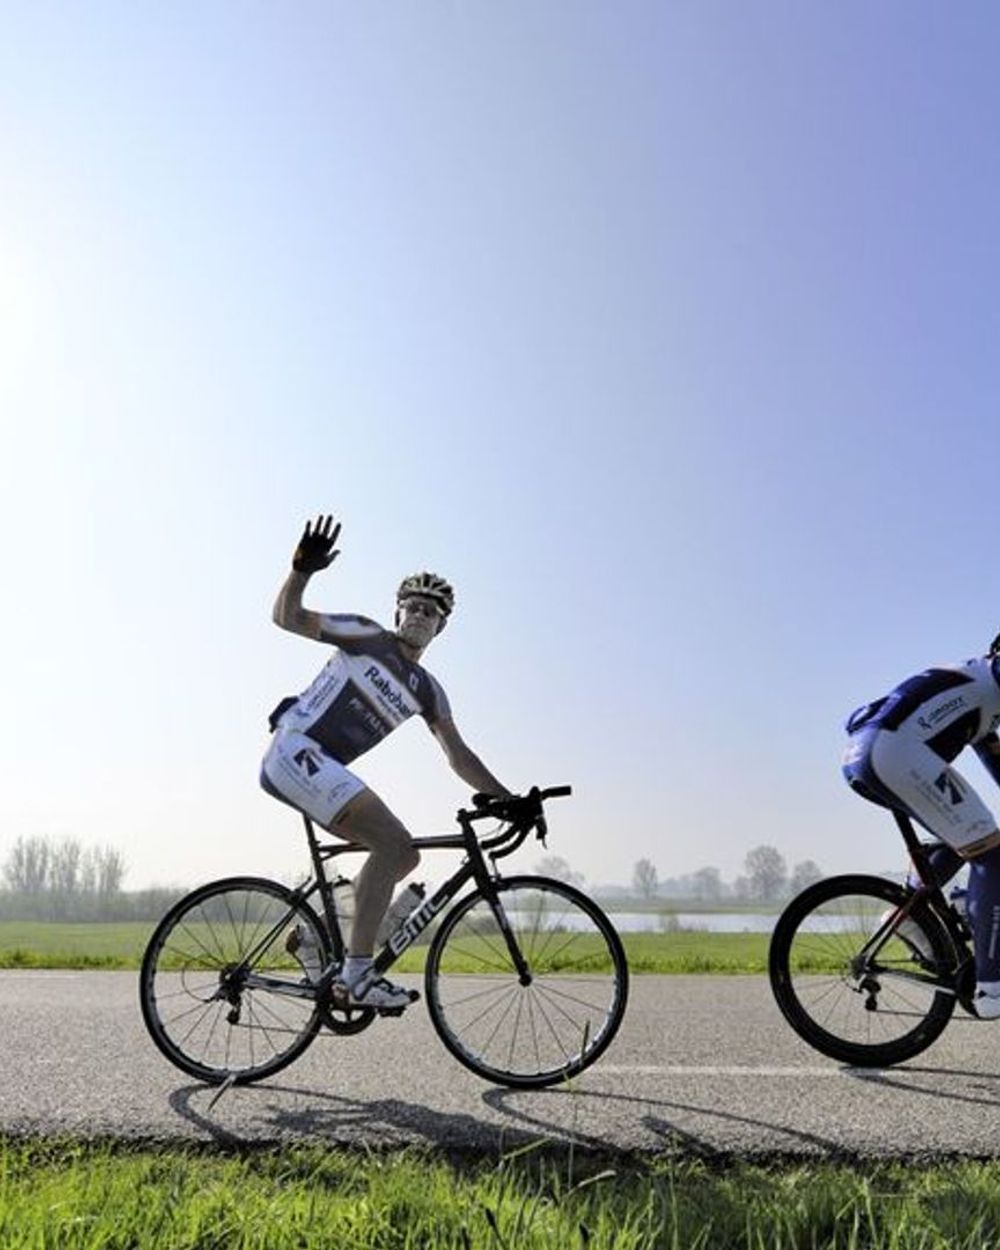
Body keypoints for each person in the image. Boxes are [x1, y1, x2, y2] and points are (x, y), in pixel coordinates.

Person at [261, 514, 512, 1011]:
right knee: (392, 840)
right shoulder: (365, 636)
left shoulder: (427, 689)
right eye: (412, 606)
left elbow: (458, 756)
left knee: (402, 856)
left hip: (320, 765)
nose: (419, 615)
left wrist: (511, 800)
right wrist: (301, 570)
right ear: (397, 613)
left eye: (430, 611)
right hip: (295, 751)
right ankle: (359, 974)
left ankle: (322, 950)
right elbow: (287, 617)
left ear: (441, 626)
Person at [842, 632, 1000, 1018]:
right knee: (991, 855)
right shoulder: (988, 679)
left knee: (968, 834)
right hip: (895, 752)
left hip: (873, 751)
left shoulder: (979, 691)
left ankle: (908, 914)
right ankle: (992, 988)